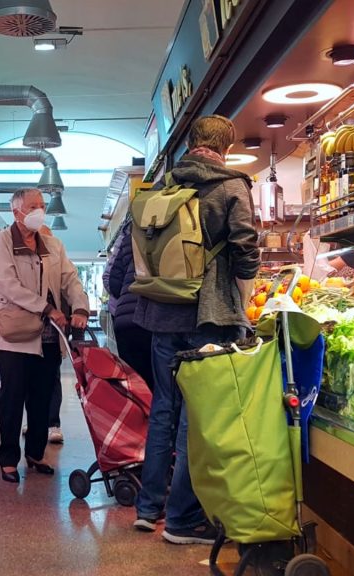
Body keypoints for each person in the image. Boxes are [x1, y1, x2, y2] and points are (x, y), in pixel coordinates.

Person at [132, 115, 259, 544]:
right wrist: (245, 292)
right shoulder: (230, 185)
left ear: (191, 143)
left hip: (162, 313)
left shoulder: (166, 185)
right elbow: (245, 247)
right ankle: (184, 520)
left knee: (164, 412)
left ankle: (149, 508)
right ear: (226, 147)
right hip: (209, 317)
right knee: (198, 419)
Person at [0, 188, 89, 483]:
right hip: (14, 335)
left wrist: (81, 306)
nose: (39, 211)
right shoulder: (2, 241)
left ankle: (35, 453)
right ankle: (8, 458)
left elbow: (70, 279)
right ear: (16, 210)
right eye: (33, 206)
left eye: (42, 206)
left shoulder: (53, 245)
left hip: (48, 336)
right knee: (12, 397)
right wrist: (45, 307)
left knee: (42, 398)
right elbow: (6, 283)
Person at [104, 216, 154, 390]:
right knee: (167, 387)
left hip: (130, 321)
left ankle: (143, 416)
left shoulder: (130, 232)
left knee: (137, 386)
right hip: (168, 320)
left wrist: (129, 295)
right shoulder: (187, 222)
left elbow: (111, 280)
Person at [39, 224, 66, 444]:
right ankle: (37, 422)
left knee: (53, 379)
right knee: (32, 382)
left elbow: (70, 290)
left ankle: (53, 423)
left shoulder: (60, 267)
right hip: (28, 336)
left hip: (53, 335)